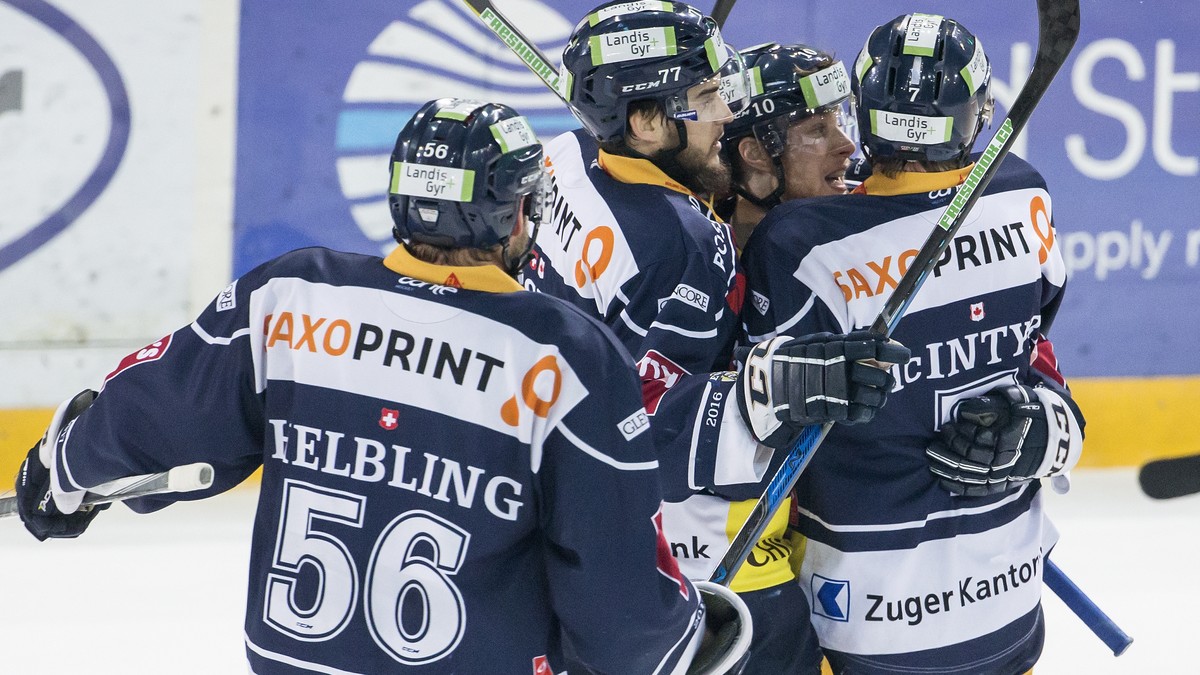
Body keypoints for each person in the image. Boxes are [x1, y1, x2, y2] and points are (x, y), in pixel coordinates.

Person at [13, 97, 755, 675]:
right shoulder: (567, 357)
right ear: (517, 217)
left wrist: (64, 467)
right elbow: (619, 601)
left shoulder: (292, 298)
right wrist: (678, 641)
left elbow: (157, 411)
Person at [522, 3, 908, 673]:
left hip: (553, 532)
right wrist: (776, 388)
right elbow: (636, 428)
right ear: (646, 123)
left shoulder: (568, 155)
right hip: (694, 564)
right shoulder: (689, 247)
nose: (724, 117)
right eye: (705, 99)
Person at [740, 13, 1085, 674]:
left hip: (864, 627)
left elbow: (756, 420)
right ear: (976, 115)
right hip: (1008, 614)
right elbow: (1033, 346)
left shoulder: (799, 243)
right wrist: (1054, 424)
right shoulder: (1022, 193)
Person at [718, 42, 858, 245]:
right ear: (756, 153)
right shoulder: (695, 248)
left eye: (838, 123)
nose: (848, 146)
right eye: (818, 130)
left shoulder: (875, 210)